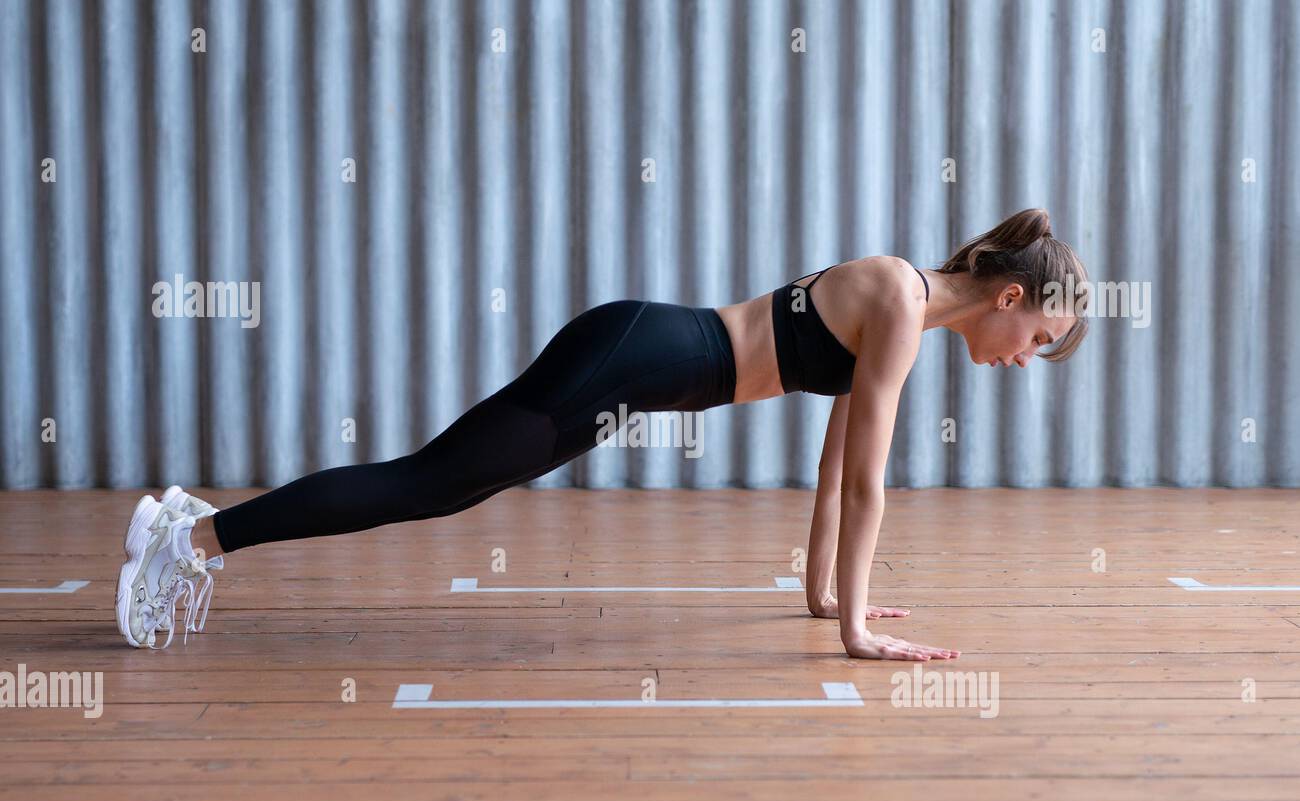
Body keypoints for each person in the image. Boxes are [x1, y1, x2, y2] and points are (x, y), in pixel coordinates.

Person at [116, 207, 1089, 658]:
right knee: (427, 483)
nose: (1018, 360)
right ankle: (188, 538)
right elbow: (871, 480)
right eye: (1033, 340)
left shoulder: (903, 311)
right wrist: (857, 634)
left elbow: (837, 466)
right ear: (1009, 297)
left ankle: (195, 533)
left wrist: (826, 595)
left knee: (442, 485)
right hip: (629, 356)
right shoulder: (894, 295)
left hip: (632, 368)